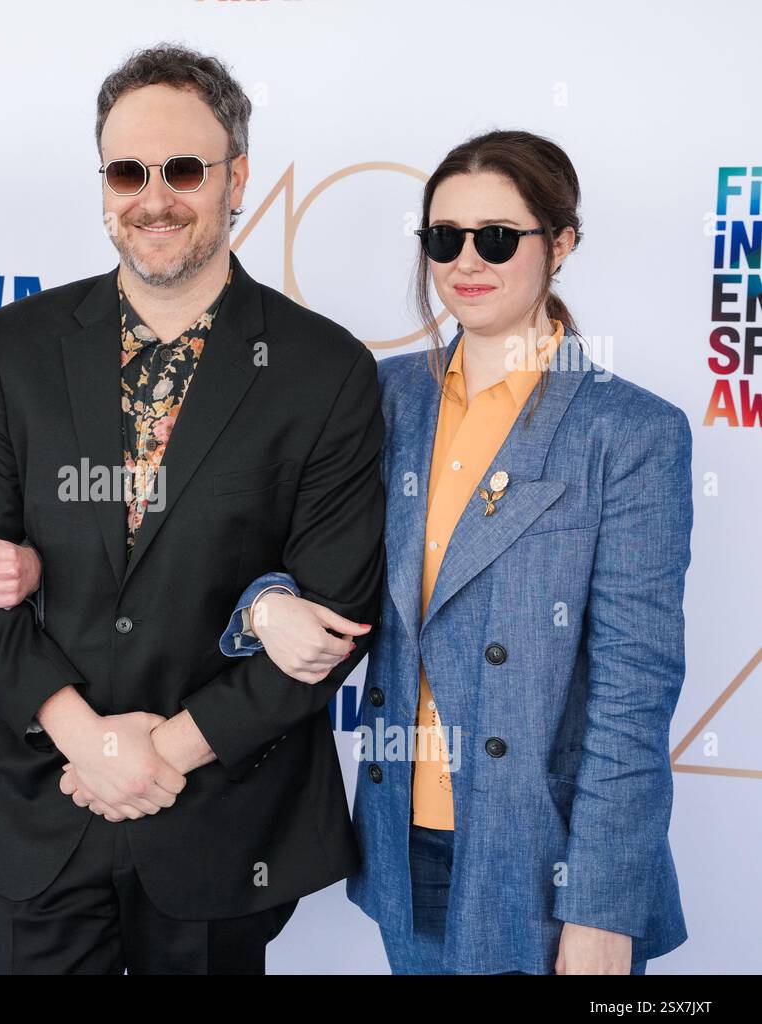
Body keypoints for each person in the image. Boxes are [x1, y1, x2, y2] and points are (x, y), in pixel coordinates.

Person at [0, 43, 385, 975]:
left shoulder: (324, 369)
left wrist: (160, 751)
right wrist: (84, 736)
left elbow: (333, 621)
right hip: (44, 805)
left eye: (183, 169)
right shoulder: (18, 345)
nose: (154, 198)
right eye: (127, 172)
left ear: (237, 178)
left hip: (221, 818)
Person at [223, 130, 691, 974]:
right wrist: (267, 602)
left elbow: (634, 692)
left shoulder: (630, 432)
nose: (466, 261)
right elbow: (283, 544)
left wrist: (601, 904)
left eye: (498, 238)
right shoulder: (384, 396)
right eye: (445, 238)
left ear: (562, 244)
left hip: (548, 857)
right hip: (405, 840)